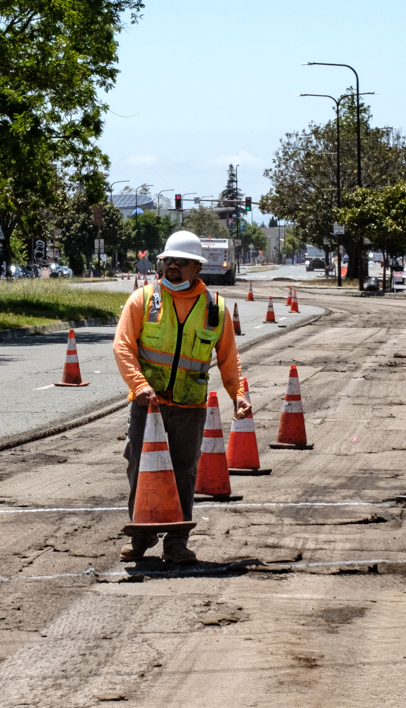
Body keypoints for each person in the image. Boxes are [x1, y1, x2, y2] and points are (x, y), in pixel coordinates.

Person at [111, 229, 252, 565]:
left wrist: (239, 395)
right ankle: (142, 536)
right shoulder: (143, 300)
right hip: (148, 404)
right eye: (168, 260)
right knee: (139, 466)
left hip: (189, 407)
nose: (172, 266)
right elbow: (123, 347)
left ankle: (177, 542)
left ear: (197, 268)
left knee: (185, 471)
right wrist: (139, 385)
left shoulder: (214, 309)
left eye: (182, 262)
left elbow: (229, 359)